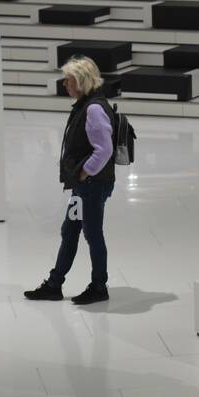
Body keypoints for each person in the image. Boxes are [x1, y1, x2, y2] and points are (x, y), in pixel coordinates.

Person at [24, 56, 116, 305]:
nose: (64, 84)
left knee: (92, 234)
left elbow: (104, 150)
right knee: (71, 230)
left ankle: (99, 287)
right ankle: (55, 284)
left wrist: (85, 172)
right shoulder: (85, 104)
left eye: (69, 80)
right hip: (82, 188)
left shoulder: (94, 109)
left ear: (82, 81)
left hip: (92, 187)